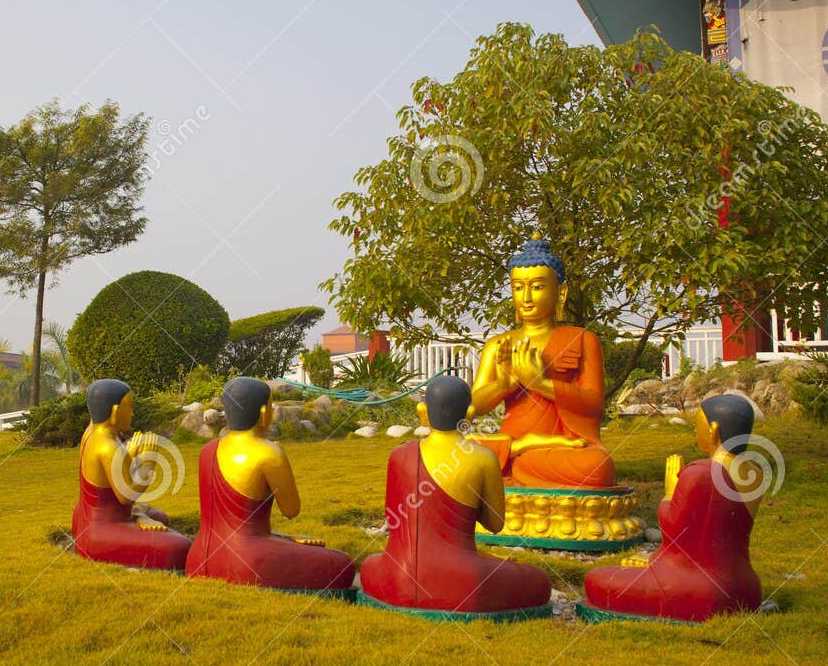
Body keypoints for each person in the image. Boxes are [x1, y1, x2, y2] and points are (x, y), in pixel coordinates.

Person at [359, 375, 553, 618]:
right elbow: (495, 523)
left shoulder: (399, 455)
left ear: (423, 411)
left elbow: (393, 518)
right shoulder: (482, 458)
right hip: (463, 580)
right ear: (470, 414)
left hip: (395, 576)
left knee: (369, 565)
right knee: (539, 580)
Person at [580, 393, 764, 623]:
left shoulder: (699, 474)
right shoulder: (755, 474)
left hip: (697, 587)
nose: (695, 433)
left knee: (597, 578)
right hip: (745, 586)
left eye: (698, 426)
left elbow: (674, 531)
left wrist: (670, 492)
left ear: (713, 430)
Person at [468, 235, 615, 487]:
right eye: (518, 287)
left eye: (537, 287)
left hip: (565, 451)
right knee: (459, 451)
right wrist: (502, 387)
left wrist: (539, 382)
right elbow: (474, 407)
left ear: (561, 291)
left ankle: (519, 460)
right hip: (512, 440)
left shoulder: (581, 339)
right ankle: (521, 449)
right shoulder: (499, 344)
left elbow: (593, 404)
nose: (526, 298)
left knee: (597, 467)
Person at [187, 377, 354, 593]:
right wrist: (280, 464)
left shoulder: (207, 451)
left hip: (199, 557)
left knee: (303, 545)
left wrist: (285, 539)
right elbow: (291, 510)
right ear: (264, 412)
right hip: (246, 561)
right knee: (342, 564)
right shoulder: (269, 453)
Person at [71, 379, 191, 571]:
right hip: (102, 530)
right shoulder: (106, 445)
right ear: (115, 412)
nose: (133, 413)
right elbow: (127, 496)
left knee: (160, 517)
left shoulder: (92, 433)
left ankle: (137, 516)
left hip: (84, 521)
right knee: (181, 548)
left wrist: (129, 453)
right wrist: (148, 461)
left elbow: (114, 475)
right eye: (130, 407)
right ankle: (134, 519)